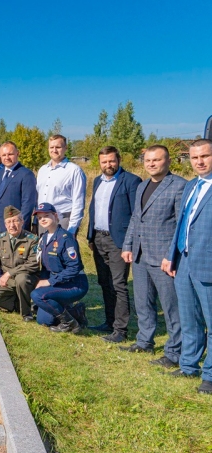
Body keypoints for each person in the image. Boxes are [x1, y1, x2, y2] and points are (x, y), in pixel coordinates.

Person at [120, 145, 184, 366]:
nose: (151, 164)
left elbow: (180, 226)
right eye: (148, 160)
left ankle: (175, 351)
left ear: (167, 161)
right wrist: (128, 245)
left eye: (156, 160)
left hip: (162, 257)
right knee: (143, 301)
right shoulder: (142, 185)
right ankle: (144, 341)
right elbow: (135, 218)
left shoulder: (179, 186)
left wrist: (171, 255)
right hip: (139, 254)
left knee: (170, 306)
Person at [162, 139, 212, 393]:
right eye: (195, 158)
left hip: (208, 264)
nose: (200, 162)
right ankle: (189, 365)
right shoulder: (192, 185)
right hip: (184, 262)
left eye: (205, 156)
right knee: (189, 319)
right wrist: (172, 255)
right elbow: (181, 224)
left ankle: (210, 375)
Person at [86, 146, 141, 343]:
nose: (108, 165)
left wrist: (130, 243)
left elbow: (137, 215)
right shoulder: (98, 181)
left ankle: (121, 330)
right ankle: (109, 322)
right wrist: (90, 236)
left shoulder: (131, 181)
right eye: (104, 162)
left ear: (118, 160)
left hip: (118, 240)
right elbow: (94, 209)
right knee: (104, 282)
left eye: (111, 161)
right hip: (99, 239)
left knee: (118, 284)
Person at [31, 203, 89, 332]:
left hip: (74, 284)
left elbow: (74, 267)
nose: (43, 220)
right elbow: (46, 267)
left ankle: (69, 323)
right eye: (40, 218)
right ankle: (76, 312)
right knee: (44, 321)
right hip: (58, 283)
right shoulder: (44, 238)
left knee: (37, 295)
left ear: (55, 216)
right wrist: (43, 282)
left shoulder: (65, 237)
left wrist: (49, 282)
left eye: (46, 216)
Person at [0, 205, 40, 320]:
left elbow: (33, 264)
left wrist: (9, 273)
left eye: (15, 221)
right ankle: (17, 304)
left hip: (28, 279)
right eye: (8, 222)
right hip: (9, 282)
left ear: (22, 221)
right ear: (5, 224)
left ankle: (26, 313)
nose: (12, 225)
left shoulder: (32, 240)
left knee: (21, 278)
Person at [35, 135, 86, 233]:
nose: (54, 150)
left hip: (62, 220)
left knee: (61, 248)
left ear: (65, 148)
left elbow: (78, 203)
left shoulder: (74, 170)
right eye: (51, 147)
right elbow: (38, 198)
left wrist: (72, 229)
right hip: (42, 221)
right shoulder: (42, 170)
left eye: (58, 147)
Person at [0, 141, 37, 235]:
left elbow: (28, 204)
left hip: (15, 227)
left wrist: (20, 225)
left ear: (17, 153)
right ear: (0, 156)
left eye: (10, 154)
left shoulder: (26, 174)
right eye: (4, 155)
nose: (7, 157)